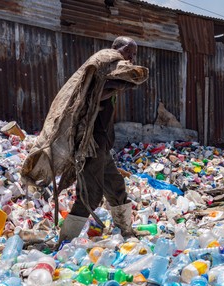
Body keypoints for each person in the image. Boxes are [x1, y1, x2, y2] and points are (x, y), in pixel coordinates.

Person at [21, 36, 149, 249]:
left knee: (115, 185)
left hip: (102, 145)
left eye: (134, 54)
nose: (131, 56)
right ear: (116, 48)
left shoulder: (113, 73)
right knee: (90, 194)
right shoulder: (106, 64)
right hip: (90, 144)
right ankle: (66, 241)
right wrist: (116, 86)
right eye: (129, 51)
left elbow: (101, 92)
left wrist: (120, 86)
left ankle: (126, 229)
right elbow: (92, 94)